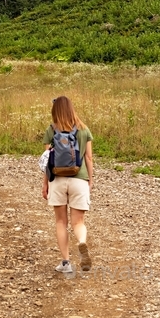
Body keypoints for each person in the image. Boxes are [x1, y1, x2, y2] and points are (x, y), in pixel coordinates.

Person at [41, 95, 93, 274]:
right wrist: (90, 179)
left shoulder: (51, 130)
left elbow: (47, 160)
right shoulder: (84, 129)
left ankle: (66, 263)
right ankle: (81, 242)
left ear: (55, 111)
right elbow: (88, 157)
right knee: (78, 221)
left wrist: (45, 184)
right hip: (79, 179)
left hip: (57, 179)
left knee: (61, 222)